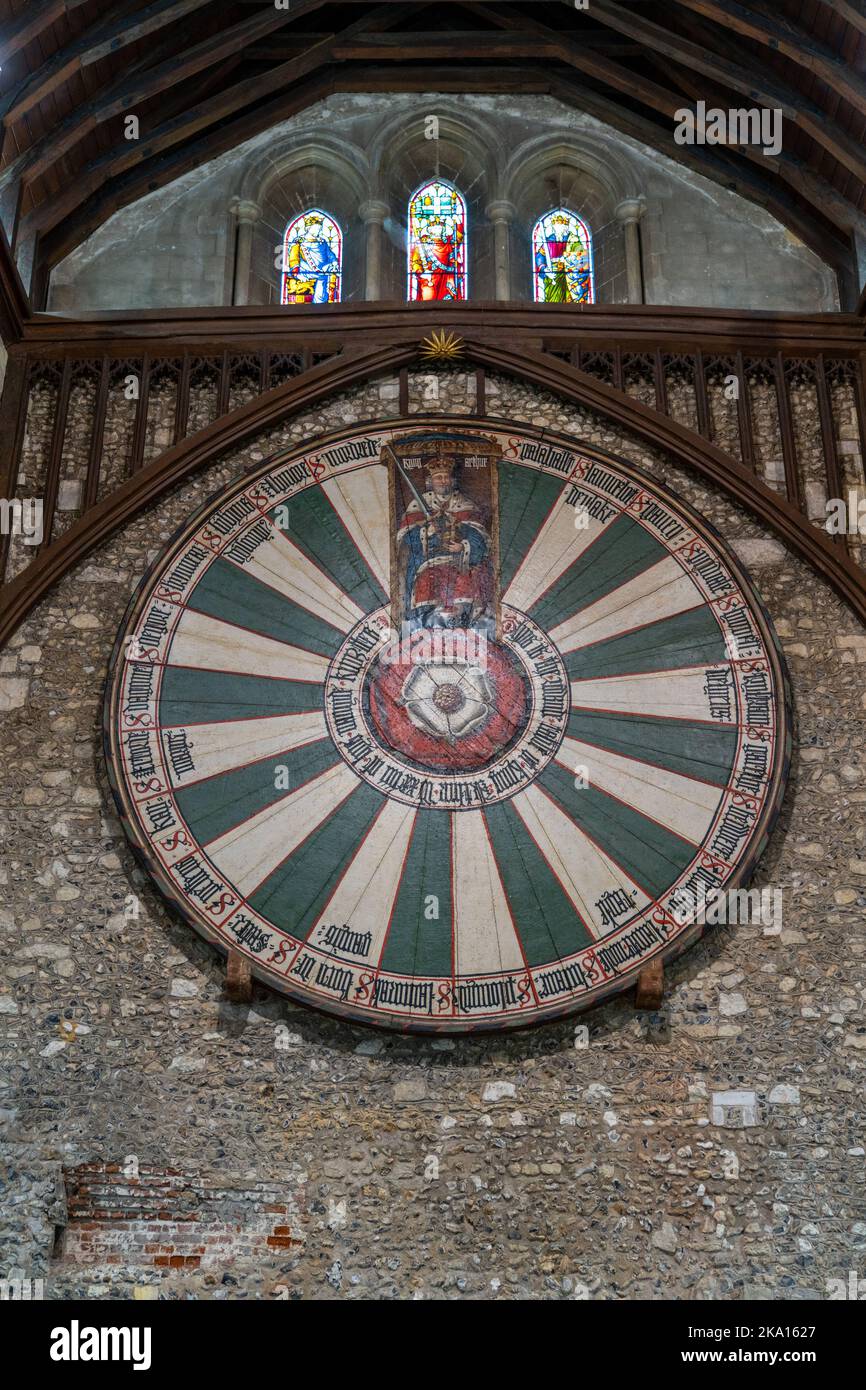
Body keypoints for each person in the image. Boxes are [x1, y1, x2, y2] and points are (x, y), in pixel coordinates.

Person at [397, 458, 490, 627]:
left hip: (460, 557)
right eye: (438, 477)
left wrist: (463, 546)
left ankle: (461, 624)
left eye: (446, 477)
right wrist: (426, 532)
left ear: (452, 481)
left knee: (466, 577)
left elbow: (478, 536)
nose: (443, 481)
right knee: (426, 579)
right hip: (427, 559)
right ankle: (426, 624)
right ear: (431, 482)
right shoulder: (420, 504)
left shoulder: (464, 504)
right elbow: (406, 537)